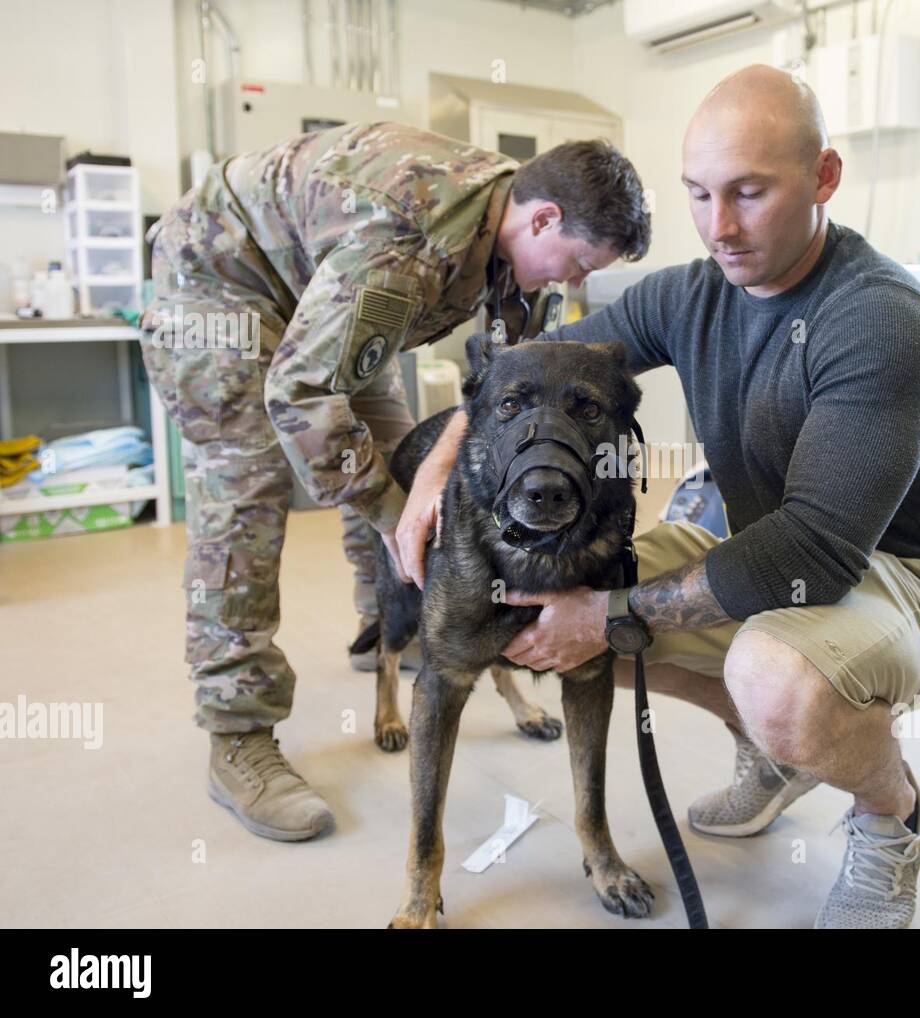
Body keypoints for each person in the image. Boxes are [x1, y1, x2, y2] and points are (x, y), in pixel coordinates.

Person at [395, 68, 920, 928]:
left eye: (750, 193)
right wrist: (434, 467)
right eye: (700, 195)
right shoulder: (693, 293)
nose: (720, 227)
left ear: (824, 178)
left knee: (765, 672)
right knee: (548, 600)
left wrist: (609, 617)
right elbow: (534, 366)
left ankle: (887, 815)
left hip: (906, 579)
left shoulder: (880, 317)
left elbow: (815, 551)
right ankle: (777, 751)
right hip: (774, 546)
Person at [140, 122, 650, 842]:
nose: (574, 284)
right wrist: (392, 515)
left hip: (325, 297)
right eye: (575, 264)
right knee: (247, 491)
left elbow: (494, 400)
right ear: (543, 218)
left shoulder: (510, 224)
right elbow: (303, 393)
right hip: (221, 285)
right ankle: (238, 732)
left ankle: (388, 622)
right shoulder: (410, 237)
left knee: (394, 455)